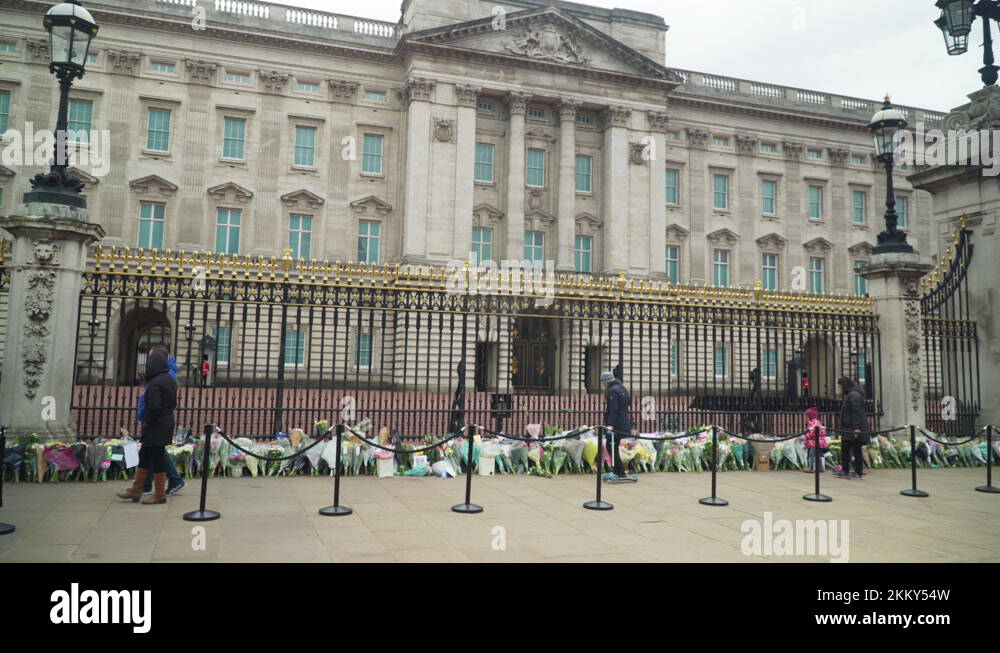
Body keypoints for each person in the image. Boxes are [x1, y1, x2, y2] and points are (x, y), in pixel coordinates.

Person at [117, 351, 178, 504]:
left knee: (156, 458)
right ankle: (136, 490)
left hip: (157, 424)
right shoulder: (169, 380)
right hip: (165, 421)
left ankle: (159, 494)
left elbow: (154, 406)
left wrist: (148, 421)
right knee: (145, 455)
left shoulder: (156, 382)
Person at [137, 344, 186, 496]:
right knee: (150, 451)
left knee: (156, 450)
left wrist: (148, 418)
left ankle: (174, 480)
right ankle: (144, 485)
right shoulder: (162, 373)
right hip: (156, 417)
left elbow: (160, 401)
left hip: (158, 419)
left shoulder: (166, 374)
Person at [601, 371, 635, 482]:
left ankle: (619, 471)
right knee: (613, 445)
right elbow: (627, 404)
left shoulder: (612, 391)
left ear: (606, 382)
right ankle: (618, 470)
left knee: (610, 445)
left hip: (617, 424)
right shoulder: (622, 388)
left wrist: (610, 424)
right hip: (624, 422)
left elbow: (614, 410)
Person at [835, 376, 869, 480]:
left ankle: (858, 472)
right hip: (848, 428)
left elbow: (856, 412)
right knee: (845, 449)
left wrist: (856, 428)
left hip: (853, 428)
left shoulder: (853, 395)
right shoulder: (852, 394)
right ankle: (845, 470)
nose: (840, 389)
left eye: (841, 387)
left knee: (856, 451)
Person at [802, 407, 828, 473]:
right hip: (819, 440)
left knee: (811, 454)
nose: (805, 417)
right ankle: (821, 467)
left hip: (814, 441)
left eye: (806, 416)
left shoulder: (812, 422)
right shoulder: (816, 421)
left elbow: (813, 431)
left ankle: (811, 468)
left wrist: (807, 436)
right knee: (818, 454)